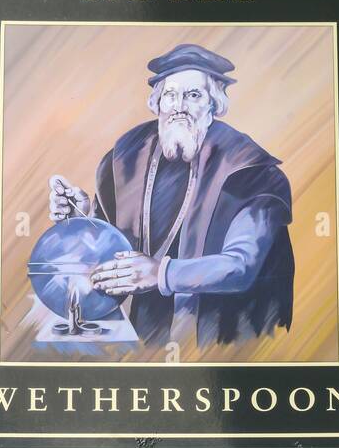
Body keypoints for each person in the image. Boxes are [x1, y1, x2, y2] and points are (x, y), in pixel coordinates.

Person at [48, 43, 294, 347]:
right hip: (144, 333)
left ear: (213, 105)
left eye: (193, 95)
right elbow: (111, 245)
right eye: (171, 95)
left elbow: (240, 266)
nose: (179, 106)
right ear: (158, 103)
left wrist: (160, 273)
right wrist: (83, 218)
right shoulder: (127, 156)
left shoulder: (250, 170)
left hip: (223, 334)